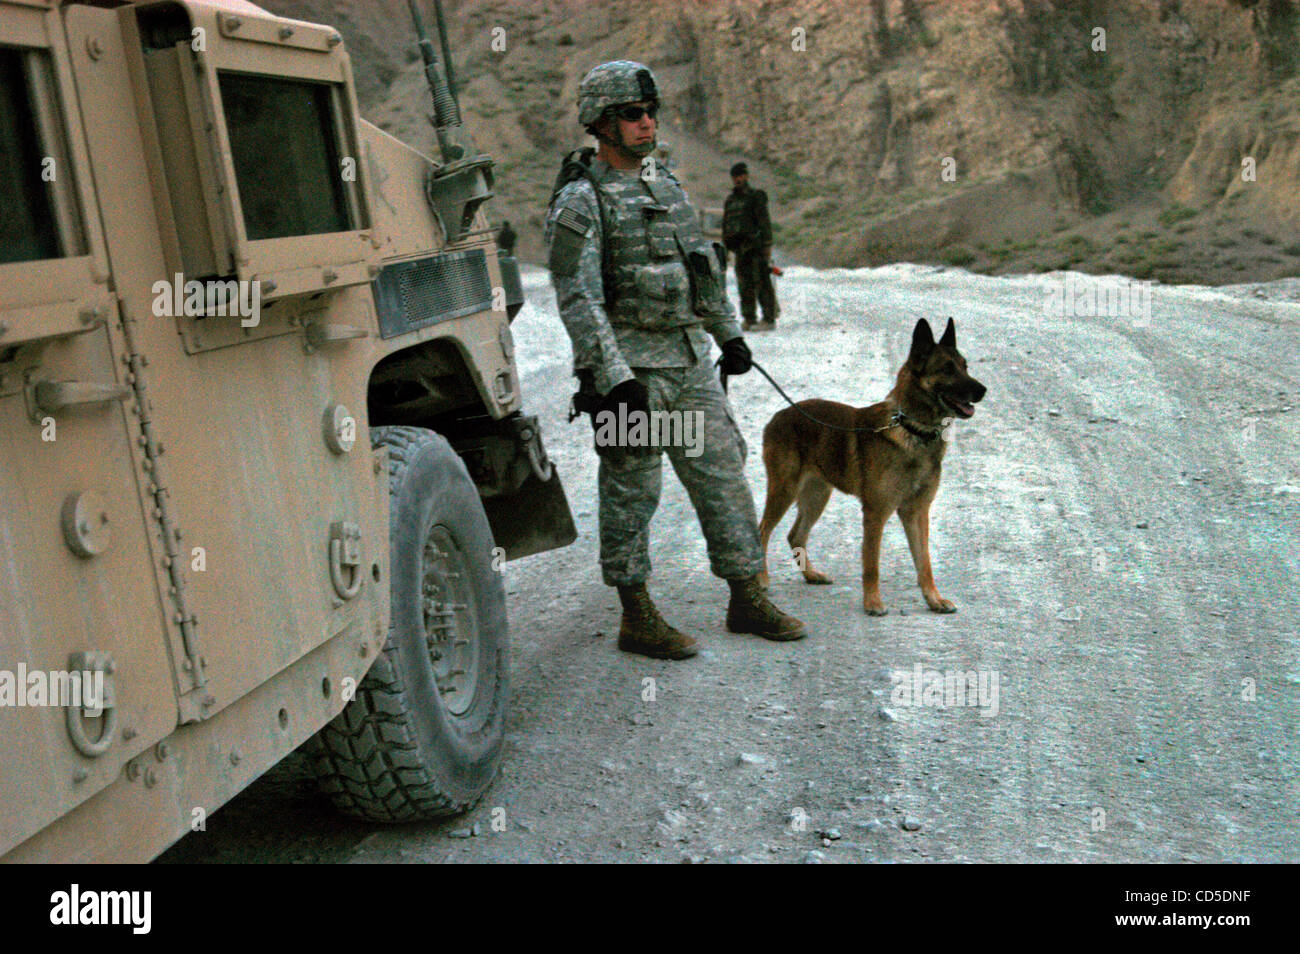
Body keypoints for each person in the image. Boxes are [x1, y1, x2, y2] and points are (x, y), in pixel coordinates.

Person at [545, 60, 805, 660]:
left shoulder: (668, 185)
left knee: (724, 477)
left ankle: (746, 595)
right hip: (632, 378)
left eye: (650, 112)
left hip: (688, 366)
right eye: (633, 114)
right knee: (633, 490)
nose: (647, 123)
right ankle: (636, 613)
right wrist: (613, 379)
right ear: (602, 124)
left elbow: (703, 270)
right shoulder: (580, 201)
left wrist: (728, 334)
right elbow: (577, 297)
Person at [722, 161, 779, 330]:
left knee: (762, 283)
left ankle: (768, 319)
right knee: (744, 286)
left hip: (756, 247)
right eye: (735, 176)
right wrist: (726, 249)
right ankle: (749, 318)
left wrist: (767, 245)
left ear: (746, 176)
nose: (738, 179)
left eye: (740, 175)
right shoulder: (731, 200)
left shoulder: (756, 196)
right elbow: (726, 225)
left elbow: (764, 222)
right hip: (740, 249)